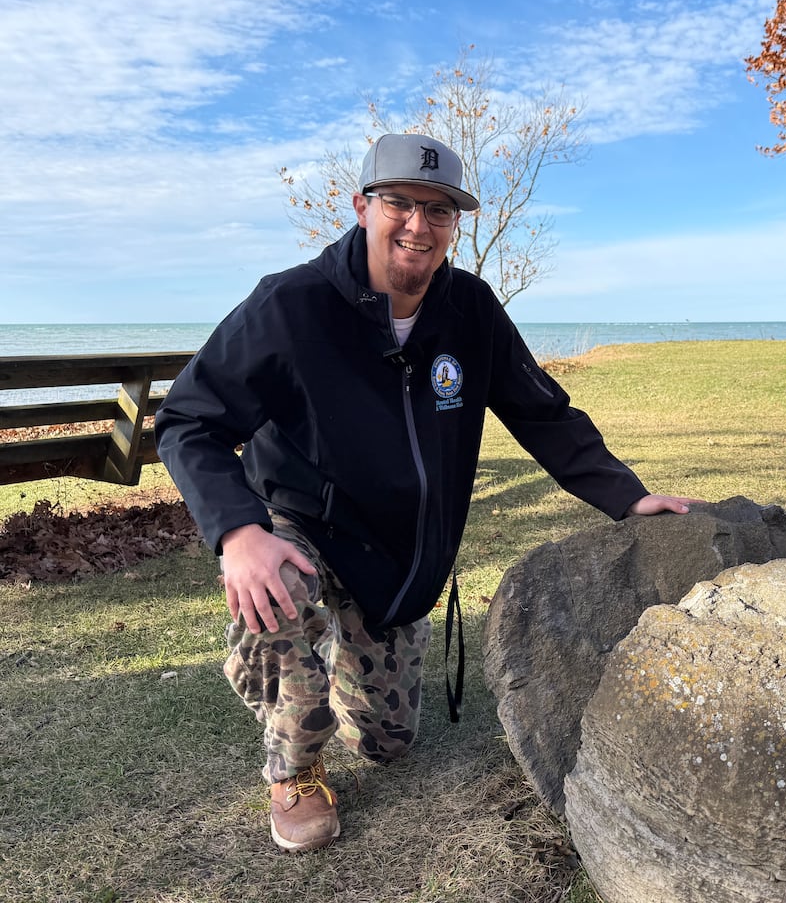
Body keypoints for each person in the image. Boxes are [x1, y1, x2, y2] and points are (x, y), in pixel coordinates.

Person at [156, 133, 698, 853]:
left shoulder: (469, 309)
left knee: (390, 742)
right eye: (401, 203)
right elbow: (188, 421)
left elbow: (541, 410)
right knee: (275, 588)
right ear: (362, 206)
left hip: (399, 551)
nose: (419, 224)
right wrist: (237, 532)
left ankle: (350, 681)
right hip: (301, 521)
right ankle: (294, 768)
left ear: (455, 223)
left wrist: (627, 497)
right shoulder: (290, 305)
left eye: (439, 210)